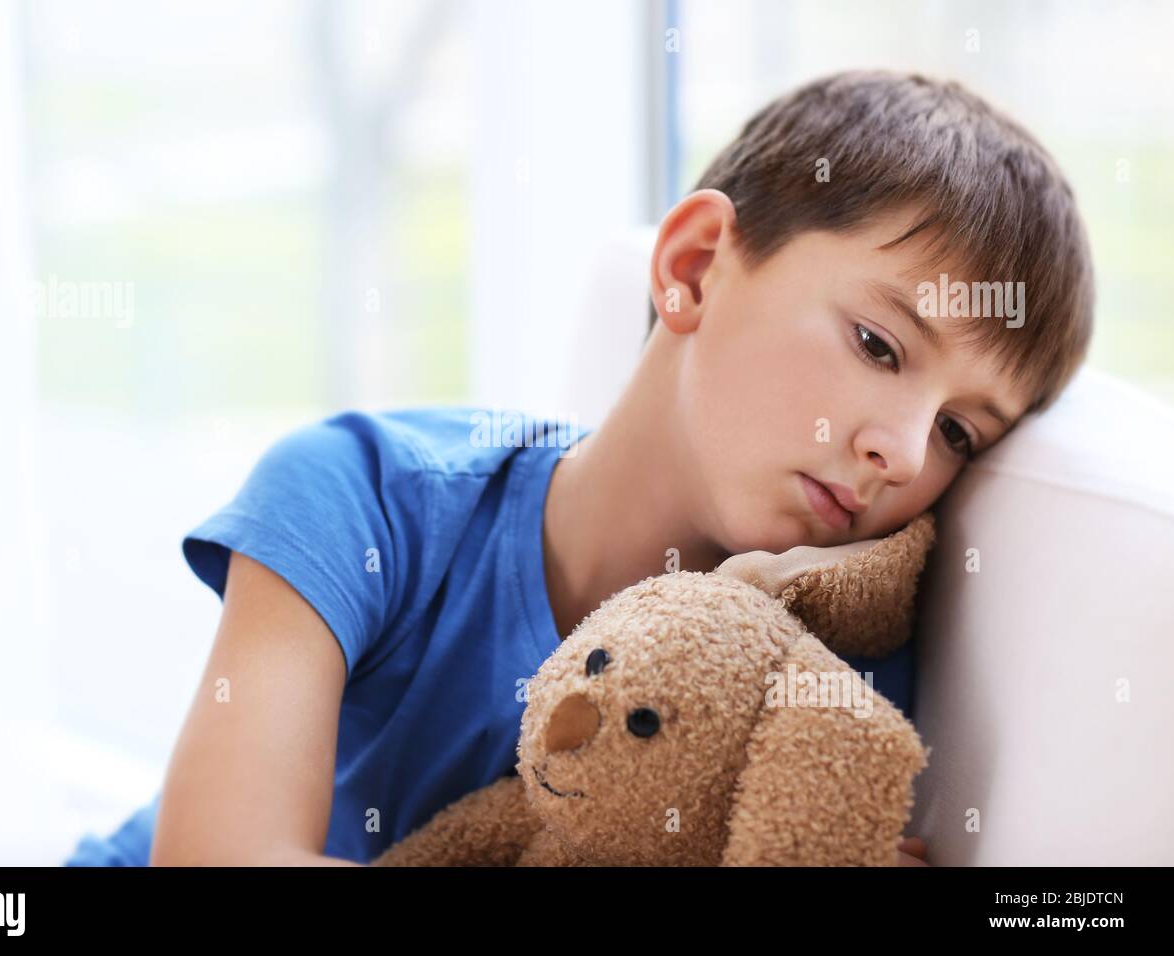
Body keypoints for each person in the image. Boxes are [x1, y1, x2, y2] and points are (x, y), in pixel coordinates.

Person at [65, 69, 1093, 868]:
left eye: (960, 431)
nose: (904, 452)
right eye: (878, 344)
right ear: (692, 267)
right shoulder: (365, 492)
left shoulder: (834, 671)